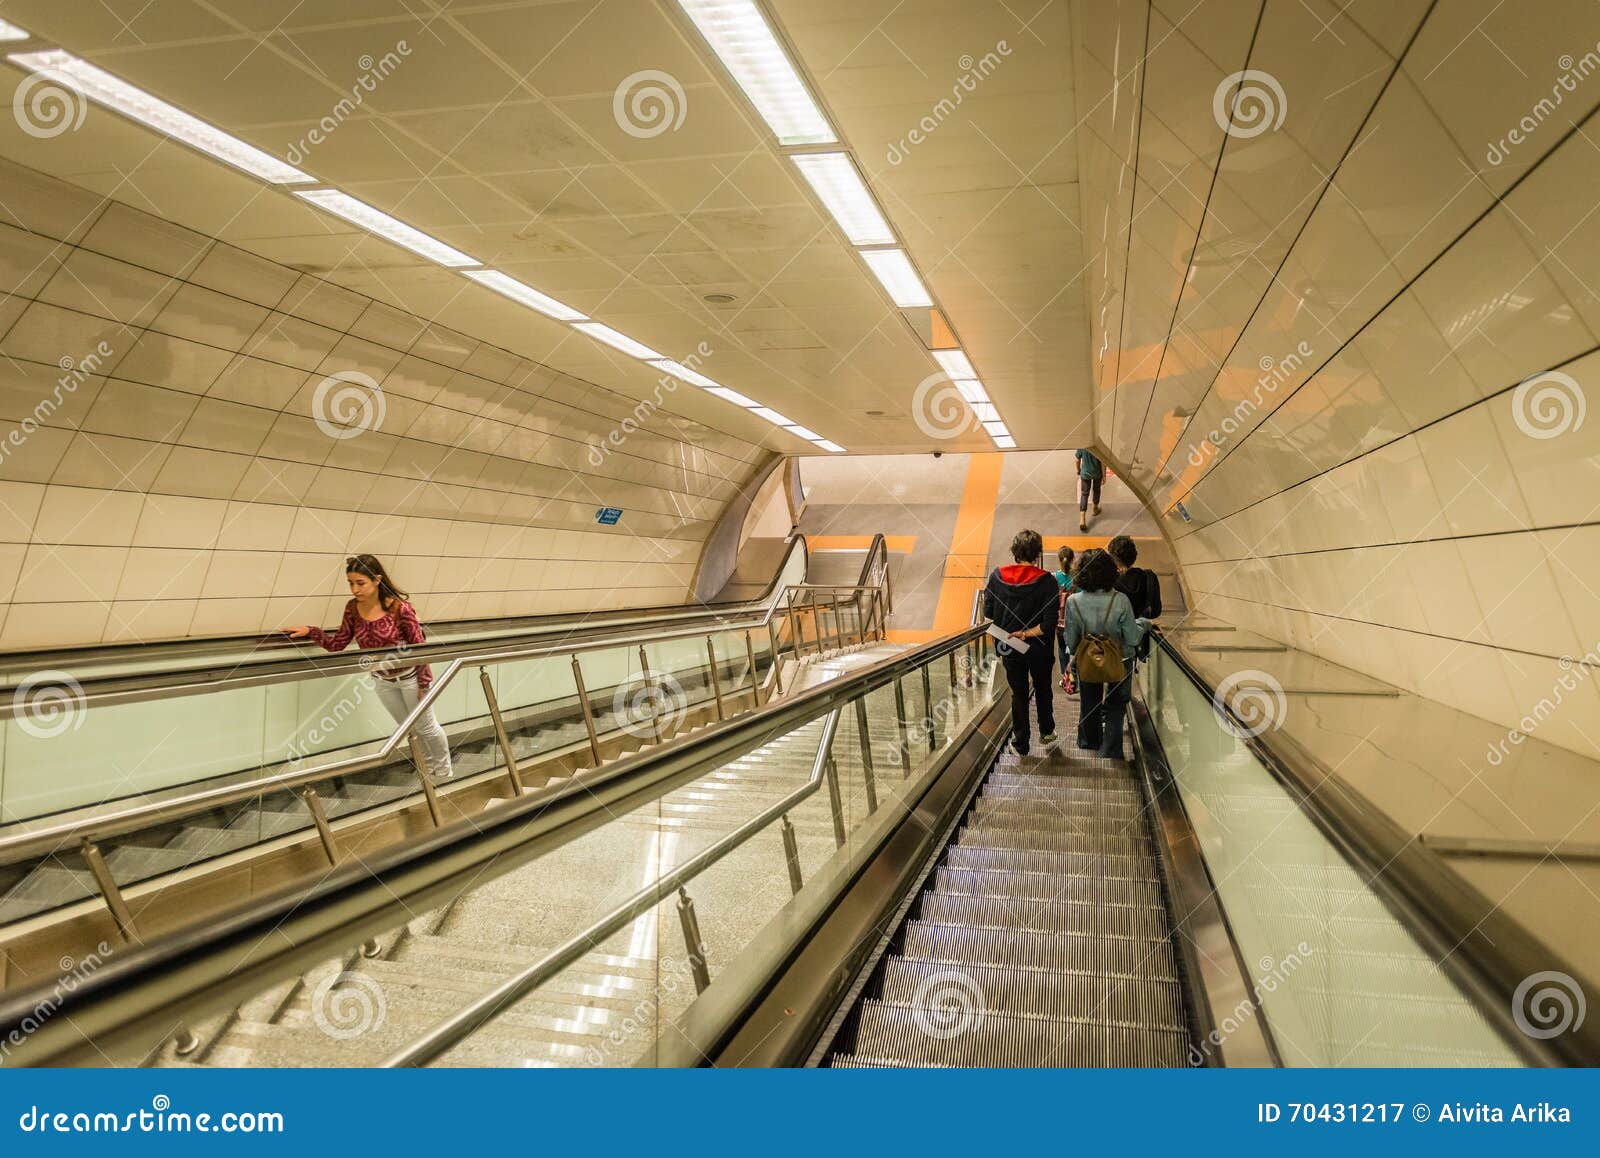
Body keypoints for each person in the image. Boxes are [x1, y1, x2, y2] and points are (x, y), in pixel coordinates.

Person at [285, 554, 453, 781]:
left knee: (426, 727)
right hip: (382, 682)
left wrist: (424, 684)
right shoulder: (353, 609)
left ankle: (444, 773)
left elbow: (418, 647)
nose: (355, 589)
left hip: (411, 678)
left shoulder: (400, 609)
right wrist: (311, 631)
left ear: (376, 580)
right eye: (351, 583)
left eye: (360, 583)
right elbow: (338, 643)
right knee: (409, 729)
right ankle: (428, 770)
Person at [1062, 548, 1148, 760]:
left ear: (1082, 573)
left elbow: (1071, 642)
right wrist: (1144, 624)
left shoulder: (1074, 602)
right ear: (1111, 572)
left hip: (1088, 659)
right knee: (1116, 705)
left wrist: (1075, 653)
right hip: (1121, 659)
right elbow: (1133, 638)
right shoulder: (1121, 600)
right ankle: (1110, 751)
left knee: (1089, 701)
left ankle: (1089, 741)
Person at [983, 529, 1060, 756]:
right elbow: (1049, 624)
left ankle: (1021, 743)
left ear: (1014, 552)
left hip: (1009, 646)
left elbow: (988, 611)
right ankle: (1046, 731)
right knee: (1043, 687)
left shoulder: (997, 577)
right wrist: (1026, 633)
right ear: (1037, 554)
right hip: (1039, 648)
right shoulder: (1047, 582)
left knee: (1019, 693)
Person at [1107, 534, 1163, 620]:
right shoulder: (1149, 576)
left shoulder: (1108, 581)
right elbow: (1155, 611)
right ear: (1134, 555)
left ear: (1113, 558)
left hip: (1115, 629)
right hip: (1139, 627)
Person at [1053, 545, 1077, 694]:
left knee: (1062, 649)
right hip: (1075, 619)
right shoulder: (1077, 577)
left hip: (1060, 621)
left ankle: (1065, 678)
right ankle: (1077, 675)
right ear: (1073, 559)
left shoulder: (1055, 577)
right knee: (1077, 648)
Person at [1075, 448, 1103, 532]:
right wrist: (1104, 475)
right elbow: (1103, 462)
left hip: (1085, 473)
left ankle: (1082, 518)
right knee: (1096, 490)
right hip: (1097, 473)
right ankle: (1095, 508)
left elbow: (1077, 460)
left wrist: (1078, 470)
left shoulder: (1082, 446)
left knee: (1084, 494)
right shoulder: (1098, 445)